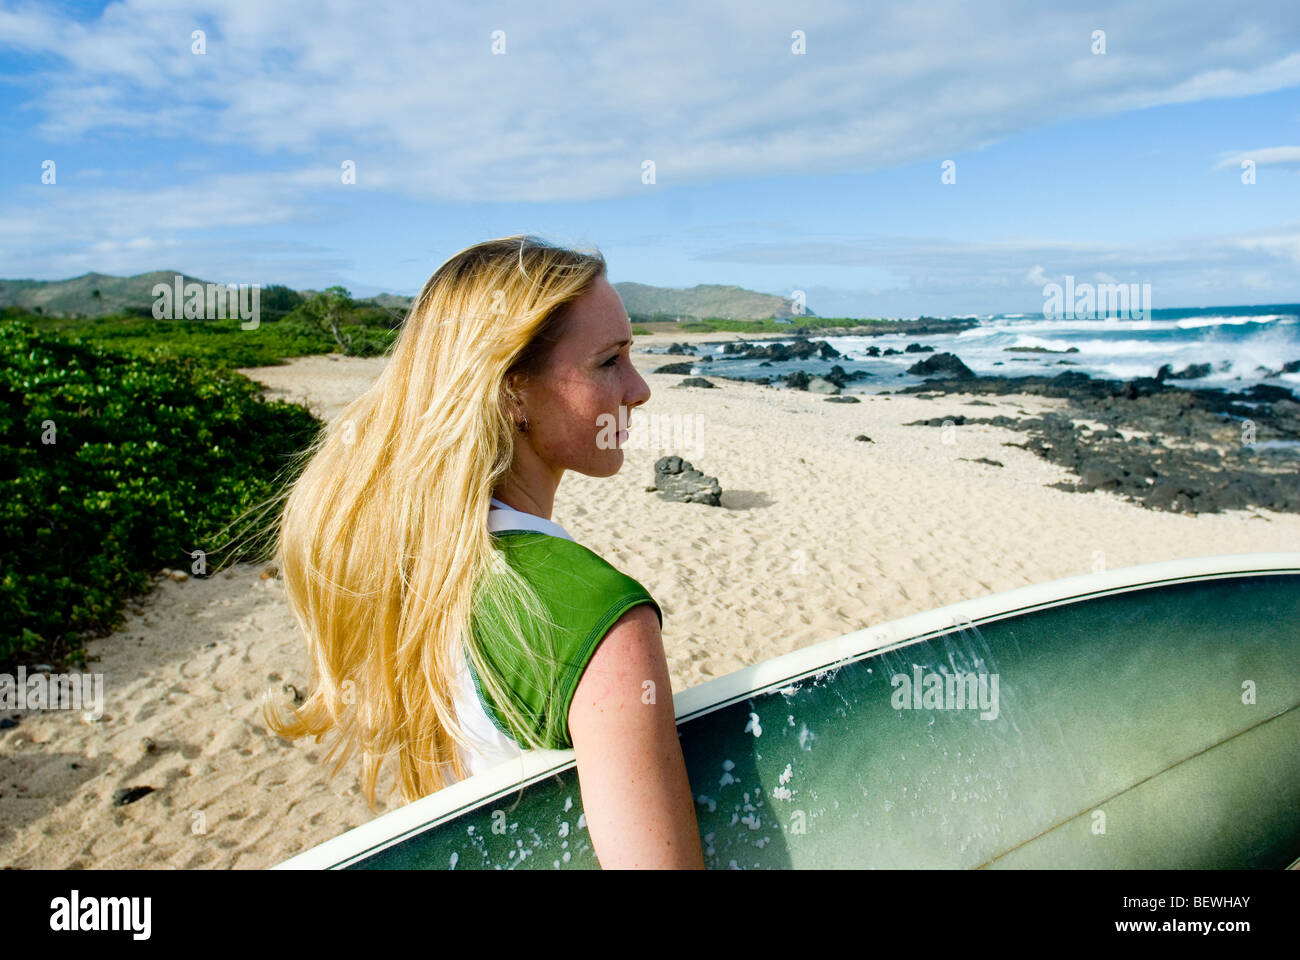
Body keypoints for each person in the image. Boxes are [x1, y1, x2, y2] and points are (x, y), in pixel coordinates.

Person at [266, 234, 704, 869]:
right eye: (610, 361)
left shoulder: (423, 565)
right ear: (510, 393)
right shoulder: (599, 620)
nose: (639, 390)